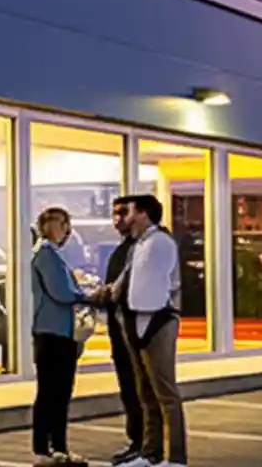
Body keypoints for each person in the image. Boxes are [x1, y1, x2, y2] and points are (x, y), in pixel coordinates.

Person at [110, 194, 187, 467]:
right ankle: (150, 453)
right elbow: (126, 282)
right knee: (146, 394)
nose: (126, 218)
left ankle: (176, 458)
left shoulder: (160, 243)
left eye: (129, 212)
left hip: (157, 322)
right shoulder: (140, 245)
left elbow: (152, 287)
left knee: (166, 393)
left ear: (143, 214)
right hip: (137, 322)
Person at [29, 207, 92, 467]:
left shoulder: (49, 254)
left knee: (57, 394)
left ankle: (58, 448)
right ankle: (45, 450)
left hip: (55, 331)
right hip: (53, 333)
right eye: (61, 223)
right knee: (53, 393)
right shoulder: (46, 254)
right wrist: (88, 295)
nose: (64, 229)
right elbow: (62, 292)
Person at [106, 196, 144, 465]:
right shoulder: (125, 249)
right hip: (120, 332)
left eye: (123, 213)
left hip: (133, 332)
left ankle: (143, 444)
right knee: (129, 388)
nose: (118, 219)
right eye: (115, 214)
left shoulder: (142, 248)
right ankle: (138, 442)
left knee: (139, 389)